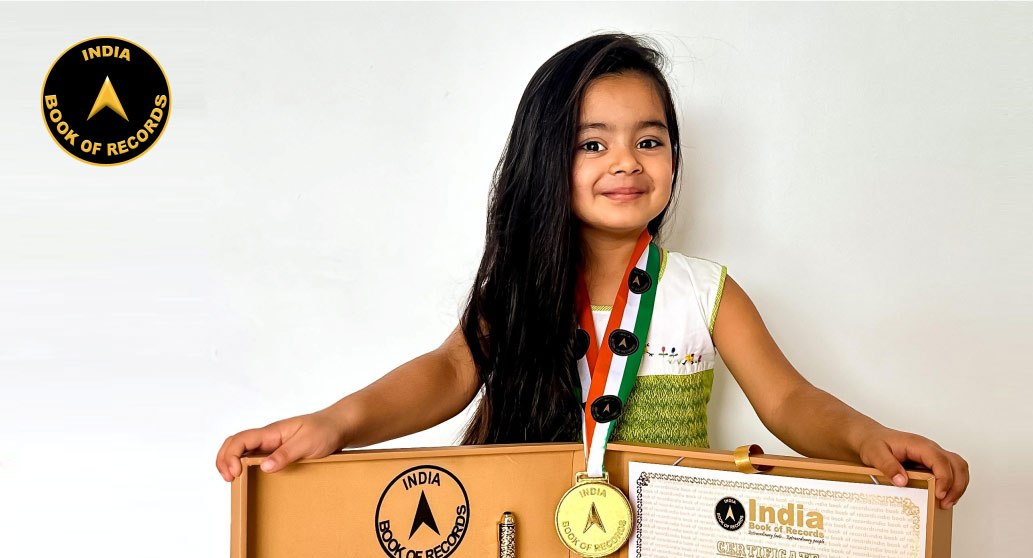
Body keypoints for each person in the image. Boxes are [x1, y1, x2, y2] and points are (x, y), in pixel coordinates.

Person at [215, 34, 968, 509]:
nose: (625, 163)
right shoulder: (514, 293)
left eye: (650, 140)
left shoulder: (706, 292)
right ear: (548, 158)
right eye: (591, 143)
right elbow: (448, 372)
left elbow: (790, 399)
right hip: (526, 549)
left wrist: (868, 437)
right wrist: (334, 423)